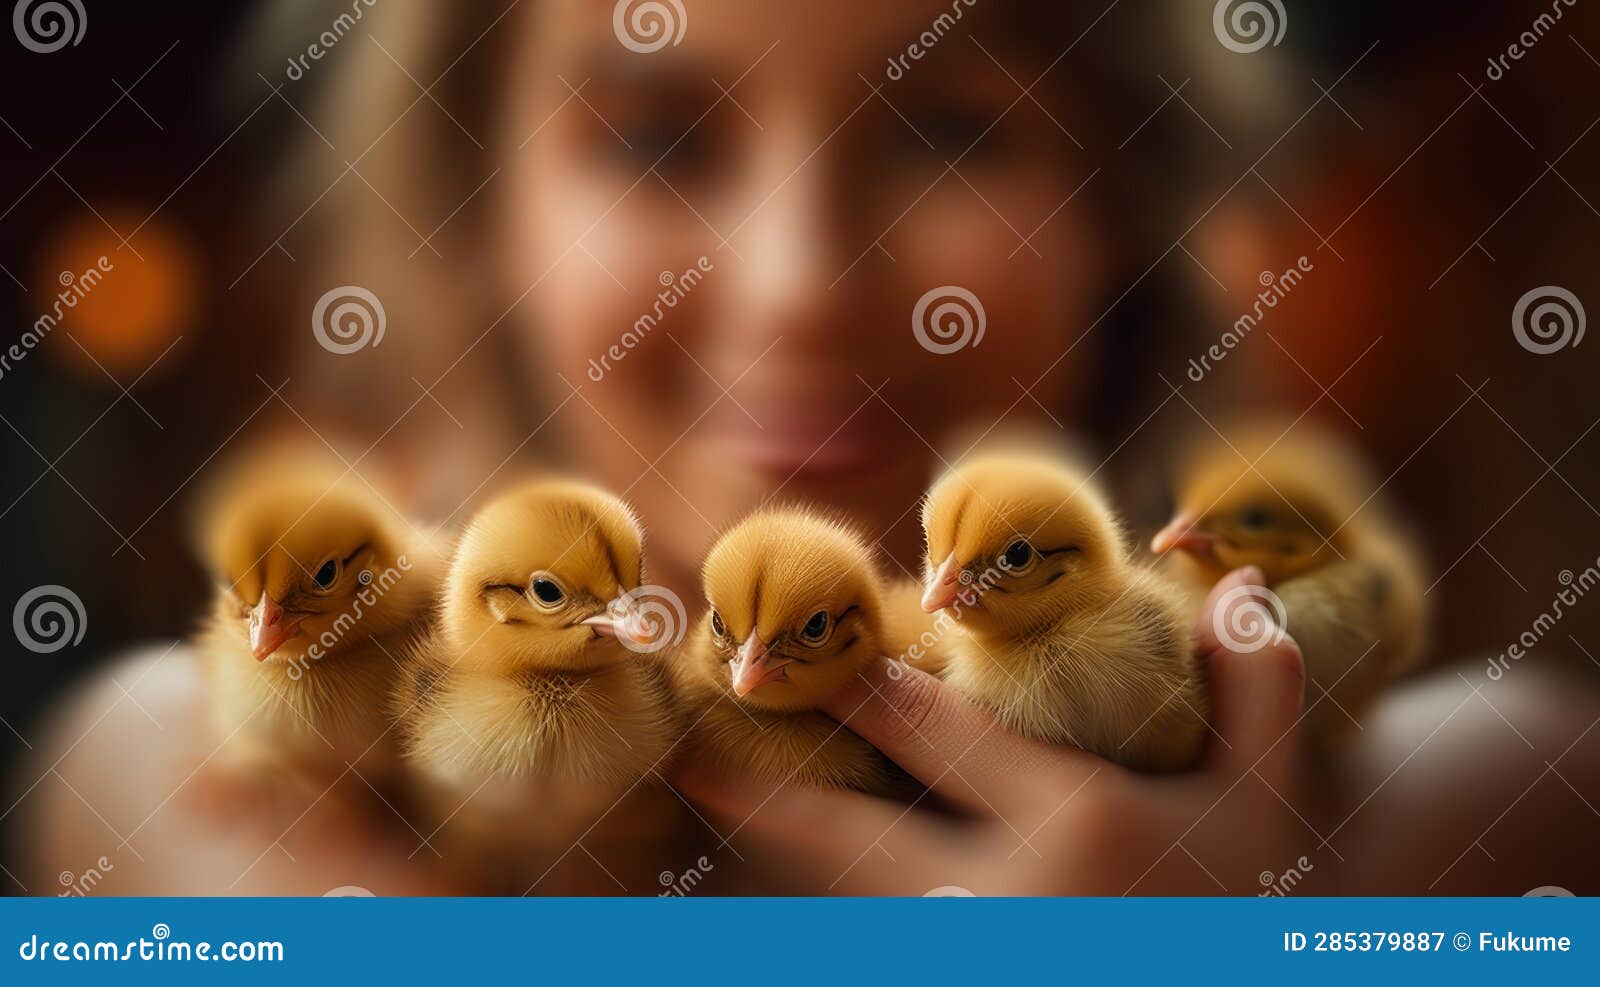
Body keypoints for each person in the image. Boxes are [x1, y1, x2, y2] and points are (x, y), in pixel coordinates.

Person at [15, 0, 1598, 895]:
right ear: (474, 206)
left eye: (954, 127)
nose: (801, 288)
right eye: (656, 138)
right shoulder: (210, 791)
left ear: (1122, 201)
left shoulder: (1472, 817)